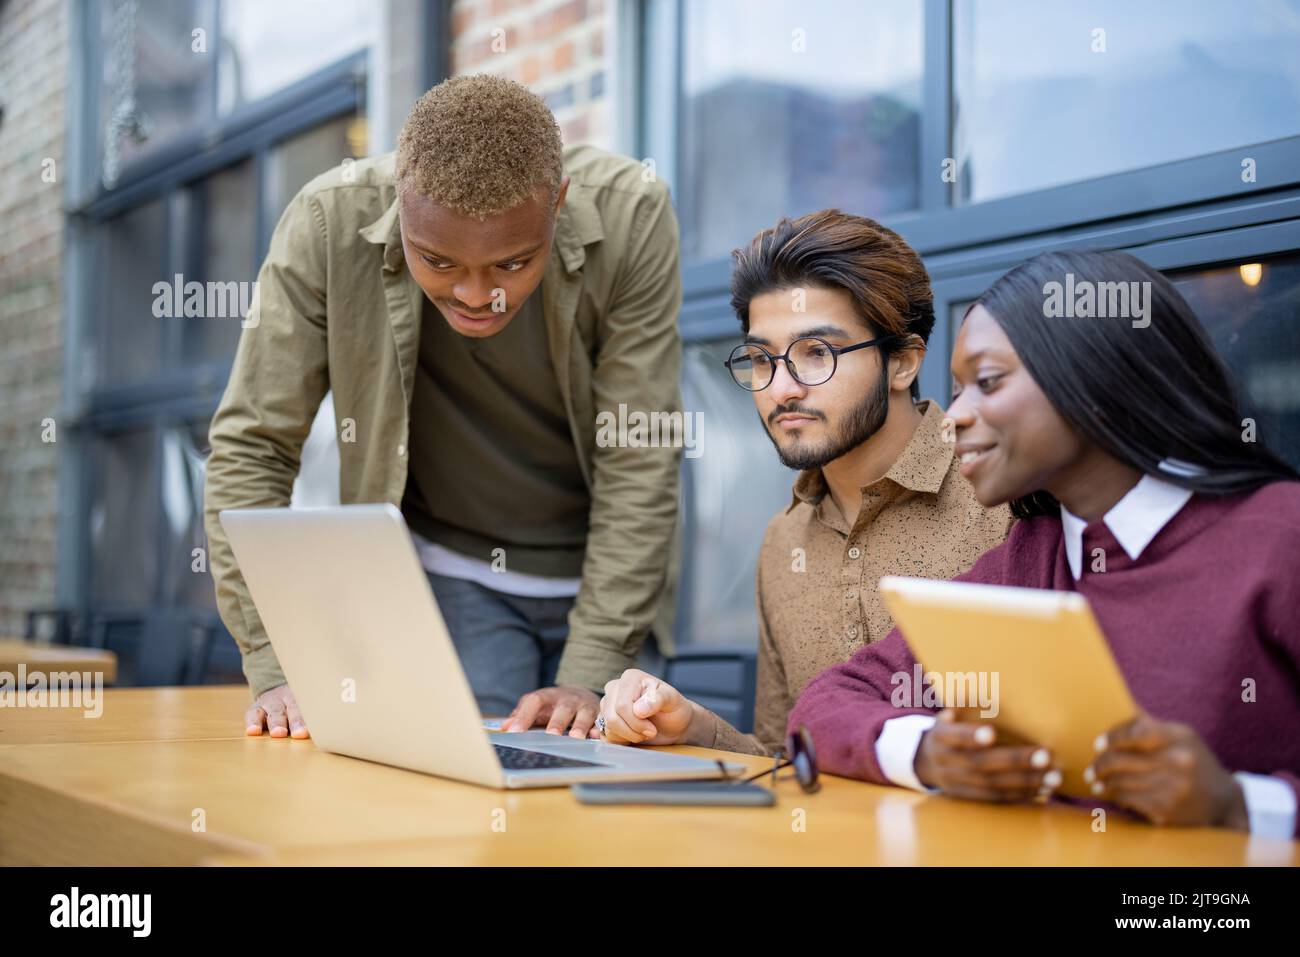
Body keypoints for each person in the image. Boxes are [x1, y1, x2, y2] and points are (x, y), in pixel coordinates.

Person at [204, 75, 684, 741]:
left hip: (615, 574)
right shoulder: (326, 223)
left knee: (614, 817)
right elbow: (254, 446)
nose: (476, 293)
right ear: (399, 203)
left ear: (559, 202)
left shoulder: (633, 214)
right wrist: (274, 656)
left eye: (514, 263)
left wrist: (594, 667)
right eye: (438, 260)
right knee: (477, 808)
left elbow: (641, 451)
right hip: (453, 574)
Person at [789, 249, 1300, 837]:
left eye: (987, 382)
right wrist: (928, 751)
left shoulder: (1278, 540)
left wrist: (1239, 804)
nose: (953, 415)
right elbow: (826, 703)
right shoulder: (1028, 557)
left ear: (1095, 379)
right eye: (957, 390)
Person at [595, 210, 1012, 754]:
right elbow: (790, 761)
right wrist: (695, 728)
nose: (782, 388)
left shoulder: (1004, 495)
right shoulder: (783, 542)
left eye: (818, 353)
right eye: (761, 359)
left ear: (904, 362)